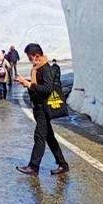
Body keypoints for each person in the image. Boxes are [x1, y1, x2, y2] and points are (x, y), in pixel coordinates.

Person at [15, 43, 70, 176]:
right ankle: (63, 164)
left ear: (37, 56)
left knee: (39, 136)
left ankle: (34, 167)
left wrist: (29, 84)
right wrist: (27, 82)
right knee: (49, 137)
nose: (29, 60)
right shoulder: (37, 68)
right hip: (39, 107)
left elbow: (47, 89)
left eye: (30, 57)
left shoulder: (45, 69)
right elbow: (39, 85)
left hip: (43, 109)